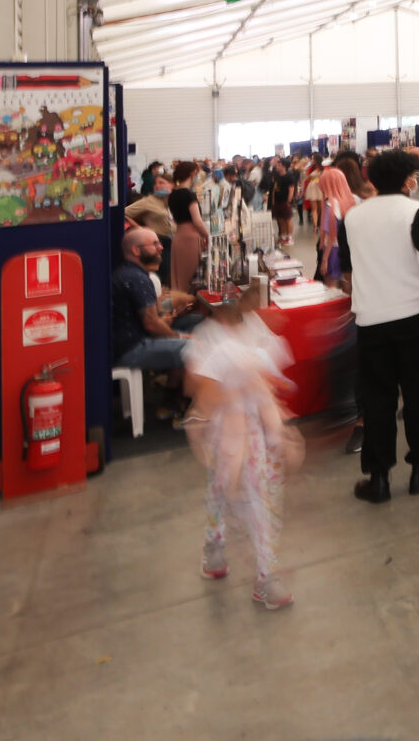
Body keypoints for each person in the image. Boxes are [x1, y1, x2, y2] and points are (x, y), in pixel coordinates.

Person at [340, 148, 419, 504]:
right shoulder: (416, 212)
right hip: (415, 317)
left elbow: (346, 275)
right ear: (408, 179)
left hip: (372, 320)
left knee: (377, 399)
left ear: (371, 178)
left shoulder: (351, 218)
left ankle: (378, 478)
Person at [183, 277, 300, 610]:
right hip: (225, 432)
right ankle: (214, 543)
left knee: (261, 499)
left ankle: (265, 575)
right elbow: (200, 390)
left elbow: (270, 372)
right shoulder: (206, 338)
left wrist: (271, 395)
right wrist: (236, 389)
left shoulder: (254, 325)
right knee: (221, 487)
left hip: (256, 433)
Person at [112, 227, 201, 399]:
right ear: (136, 250)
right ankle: (190, 404)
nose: (161, 247)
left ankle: (174, 388)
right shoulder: (136, 278)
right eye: (154, 244)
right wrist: (179, 337)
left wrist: (168, 314)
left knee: (196, 322)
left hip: (130, 341)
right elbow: (152, 324)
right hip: (130, 349)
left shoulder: (130, 273)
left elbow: (153, 314)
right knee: (198, 348)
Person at [168, 162, 210, 293]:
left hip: (178, 237)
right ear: (192, 173)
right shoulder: (189, 195)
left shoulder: (172, 195)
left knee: (179, 277)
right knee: (190, 278)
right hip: (191, 237)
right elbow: (197, 220)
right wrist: (208, 236)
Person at [315, 165, 357, 291]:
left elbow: (330, 236)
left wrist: (324, 259)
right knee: (348, 287)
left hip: (333, 251)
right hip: (350, 250)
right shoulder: (353, 201)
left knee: (331, 289)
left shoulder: (330, 206)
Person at [267, 157, 296, 248]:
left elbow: (291, 189)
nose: (277, 166)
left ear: (284, 166)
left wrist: (289, 201)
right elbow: (274, 189)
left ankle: (289, 237)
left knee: (287, 219)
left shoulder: (289, 176)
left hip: (285, 201)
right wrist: (273, 201)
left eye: (279, 165)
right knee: (280, 219)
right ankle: (283, 236)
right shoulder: (277, 176)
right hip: (277, 201)